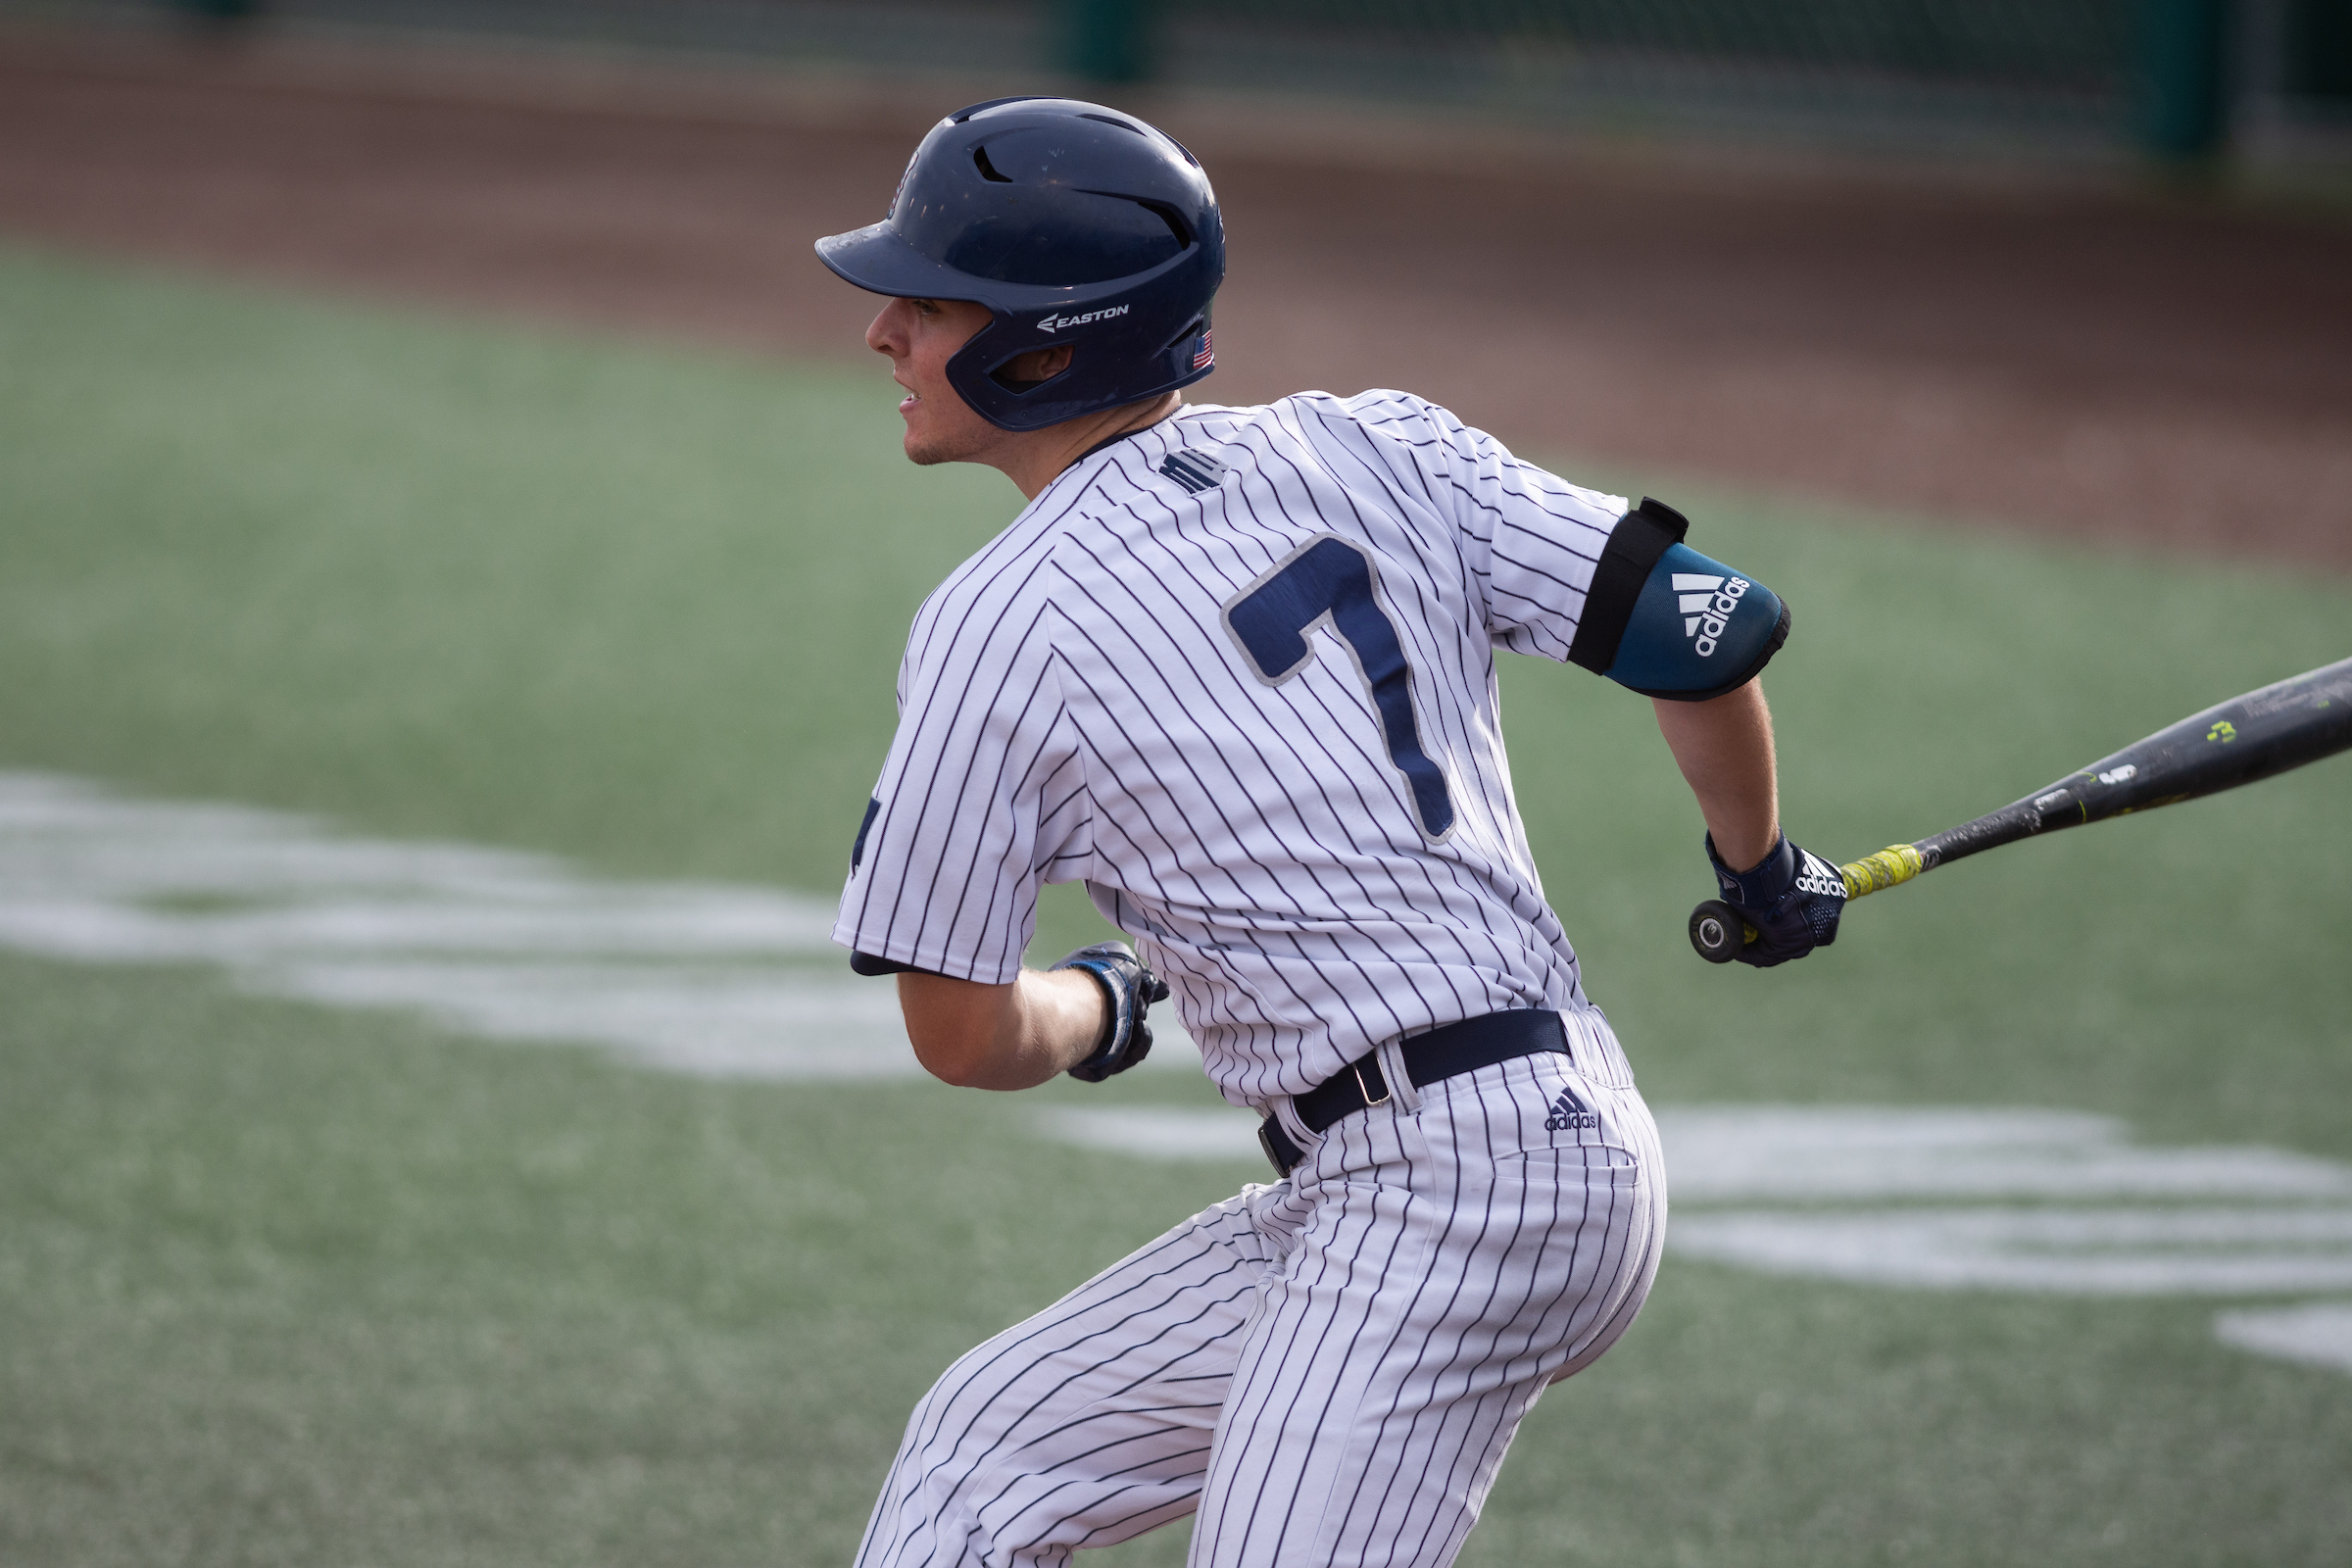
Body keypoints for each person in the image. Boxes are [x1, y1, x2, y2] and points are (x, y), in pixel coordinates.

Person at [818, 96, 1845, 1568]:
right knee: (985, 1451)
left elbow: (962, 1035)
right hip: (1490, 1155)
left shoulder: (999, 626)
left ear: (1042, 346)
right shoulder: (1380, 445)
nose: (882, 334)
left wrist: (1101, 1002)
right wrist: (1756, 866)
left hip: (1448, 1196)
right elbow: (1707, 631)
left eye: (924, 306)